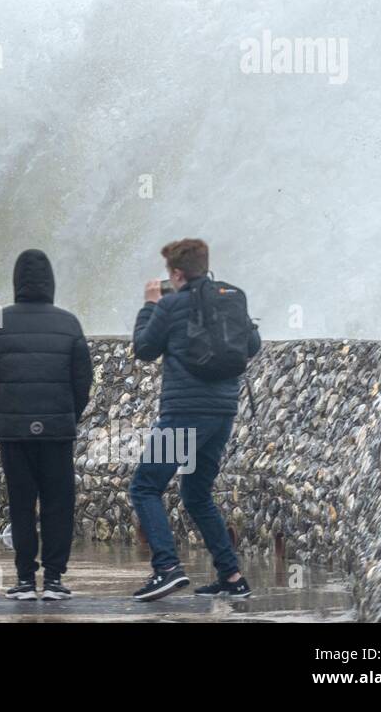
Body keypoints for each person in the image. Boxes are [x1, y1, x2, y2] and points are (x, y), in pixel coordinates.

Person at [128, 238, 261, 601]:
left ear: (176, 274)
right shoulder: (232, 297)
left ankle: (167, 568)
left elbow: (143, 348)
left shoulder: (169, 305)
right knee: (196, 492)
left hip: (183, 415)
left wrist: (150, 306)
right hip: (222, 413)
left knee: (145, 486)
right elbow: (252, 347)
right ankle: (232, 577)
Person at [0, 249, 93, 600]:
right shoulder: (68, 322)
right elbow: (82, 382)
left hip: (13, 432)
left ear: (16, 282)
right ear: (50, 281)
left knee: (21, 503)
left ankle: (25, 579)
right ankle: (54, 579)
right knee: (58, 503)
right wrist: (68, 415)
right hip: (57, 431)